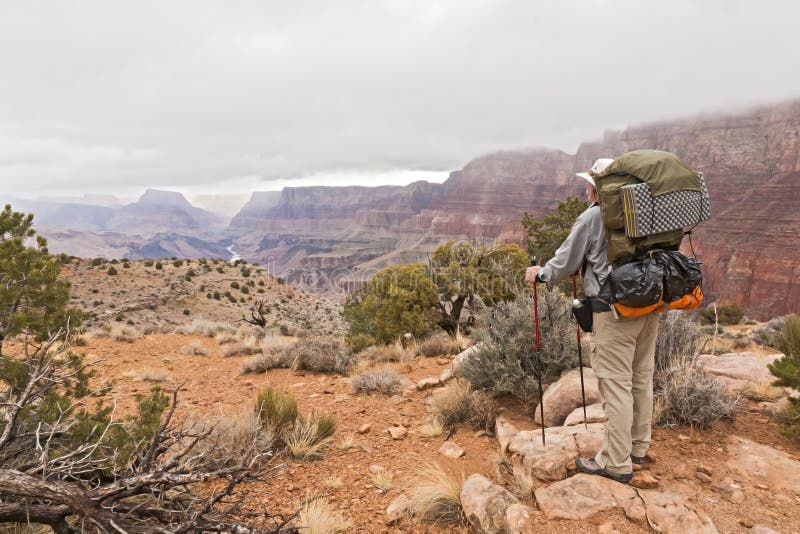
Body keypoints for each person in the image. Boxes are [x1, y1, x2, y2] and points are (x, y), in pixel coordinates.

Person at [524, 158, 659, 483]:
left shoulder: (594, 216)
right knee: (641, 379)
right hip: (649, 307)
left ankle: (616, 462)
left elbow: (567, 259)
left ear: (596, 188)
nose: (586, 189)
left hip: (613, 312)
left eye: (589, 184)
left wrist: (540, 274)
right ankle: (637, 448)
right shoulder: (645, 215)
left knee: (615, 386)